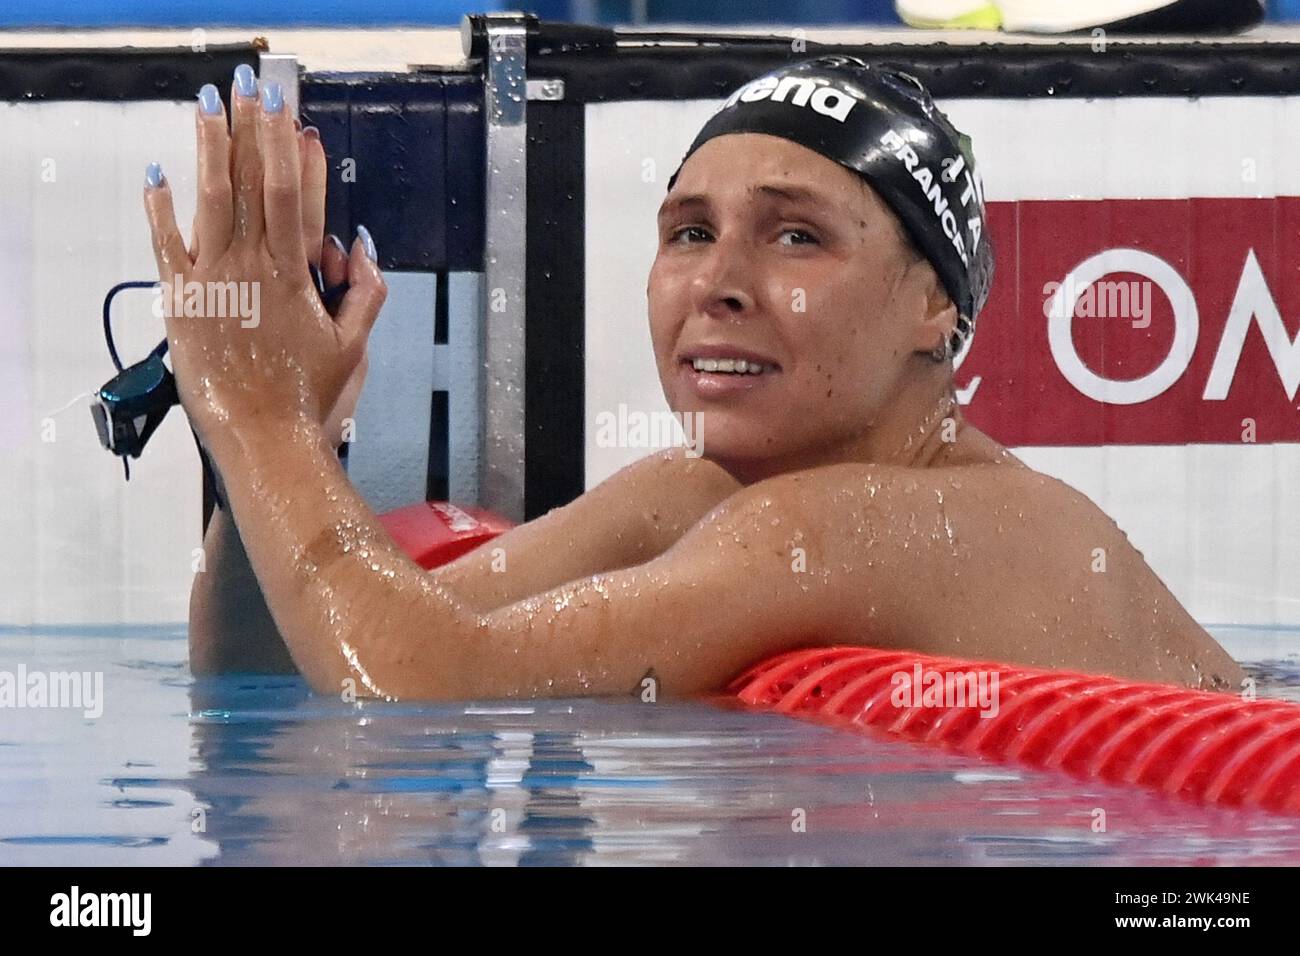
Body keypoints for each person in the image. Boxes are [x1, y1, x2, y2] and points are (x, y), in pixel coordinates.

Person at [147, 57, 1243, 699]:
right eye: (686, 231)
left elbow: (412, 687)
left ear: (934, 307)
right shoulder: (705, 496)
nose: (715, 284)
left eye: (796, 237)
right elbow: (272, 672)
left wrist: (256, 420)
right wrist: (300, 425)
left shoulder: (911, 521)